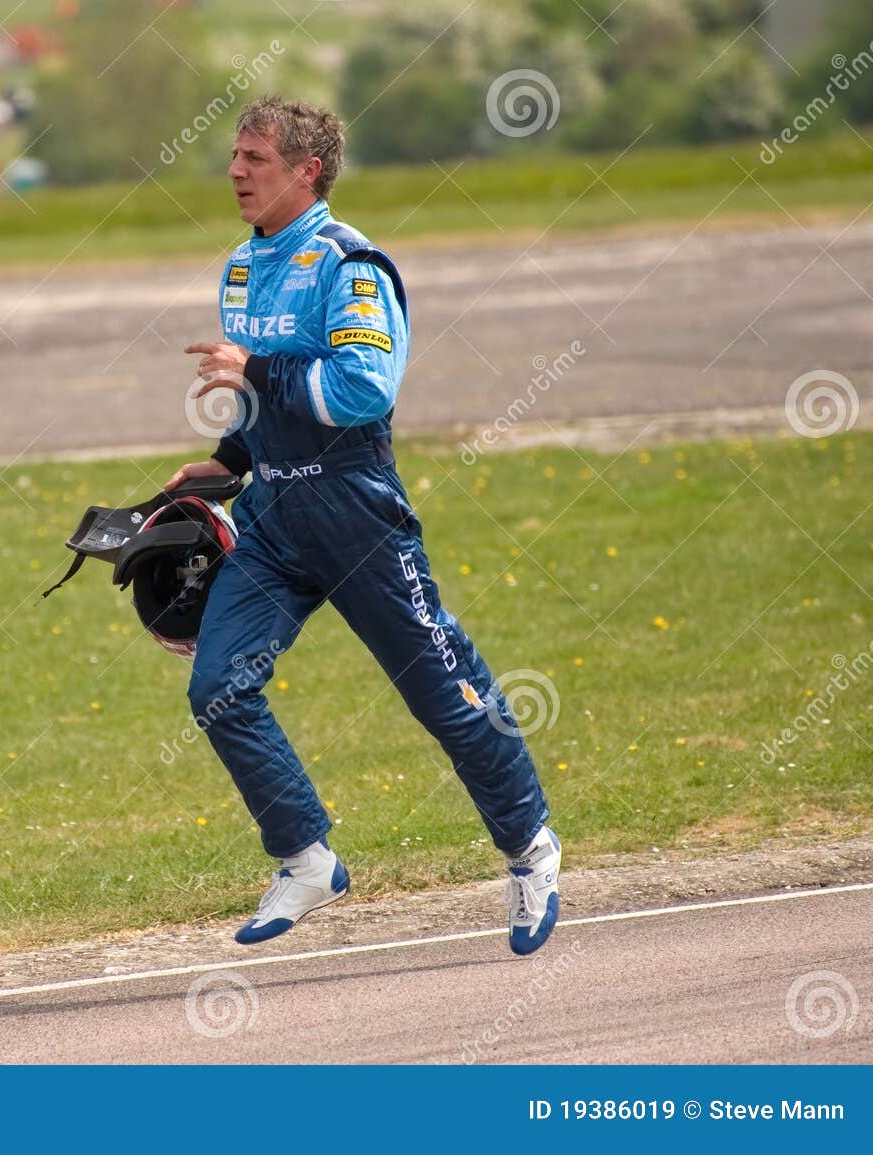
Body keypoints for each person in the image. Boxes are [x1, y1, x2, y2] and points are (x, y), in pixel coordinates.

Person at [167, 95, 560, 955]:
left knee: (447, 701)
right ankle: (306, 855)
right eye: (234, 154)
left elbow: (362, 391)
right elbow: (263, 400)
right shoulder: (240, 267)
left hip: (355, 513)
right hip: (272, 513)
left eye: (255, 158)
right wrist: (229, 462)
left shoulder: (352, 266)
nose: (235, 170)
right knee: (218, 688)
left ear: (307, 171)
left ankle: (530, 847)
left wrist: (256, 370)